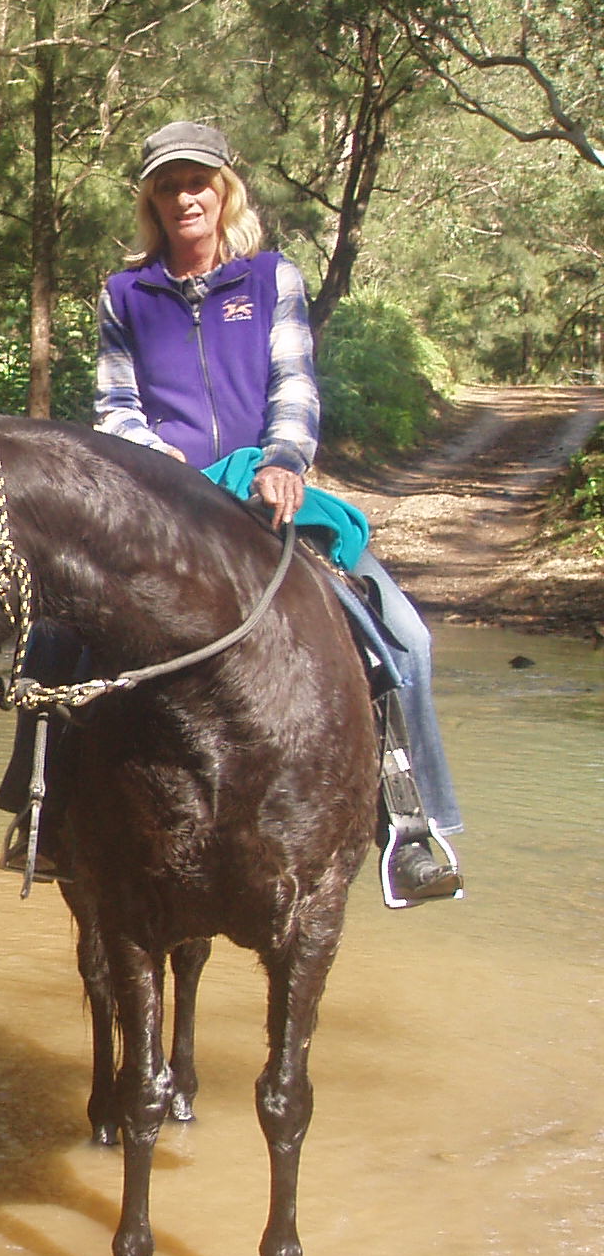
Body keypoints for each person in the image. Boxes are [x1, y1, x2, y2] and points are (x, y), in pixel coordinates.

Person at [91, 119, 462, 903]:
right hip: (165, 503)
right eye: (168, 186)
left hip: (266, 493)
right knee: (55, 637)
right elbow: (116, 405)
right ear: (151, 201)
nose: (184, 198)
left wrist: (283, 459)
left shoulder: (270, 279)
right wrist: (157, 461)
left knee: (407, 639)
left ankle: (411, 827)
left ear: (224, 191)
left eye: (197, 182)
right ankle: (51, 821)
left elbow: (293, 382)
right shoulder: (124, 294)